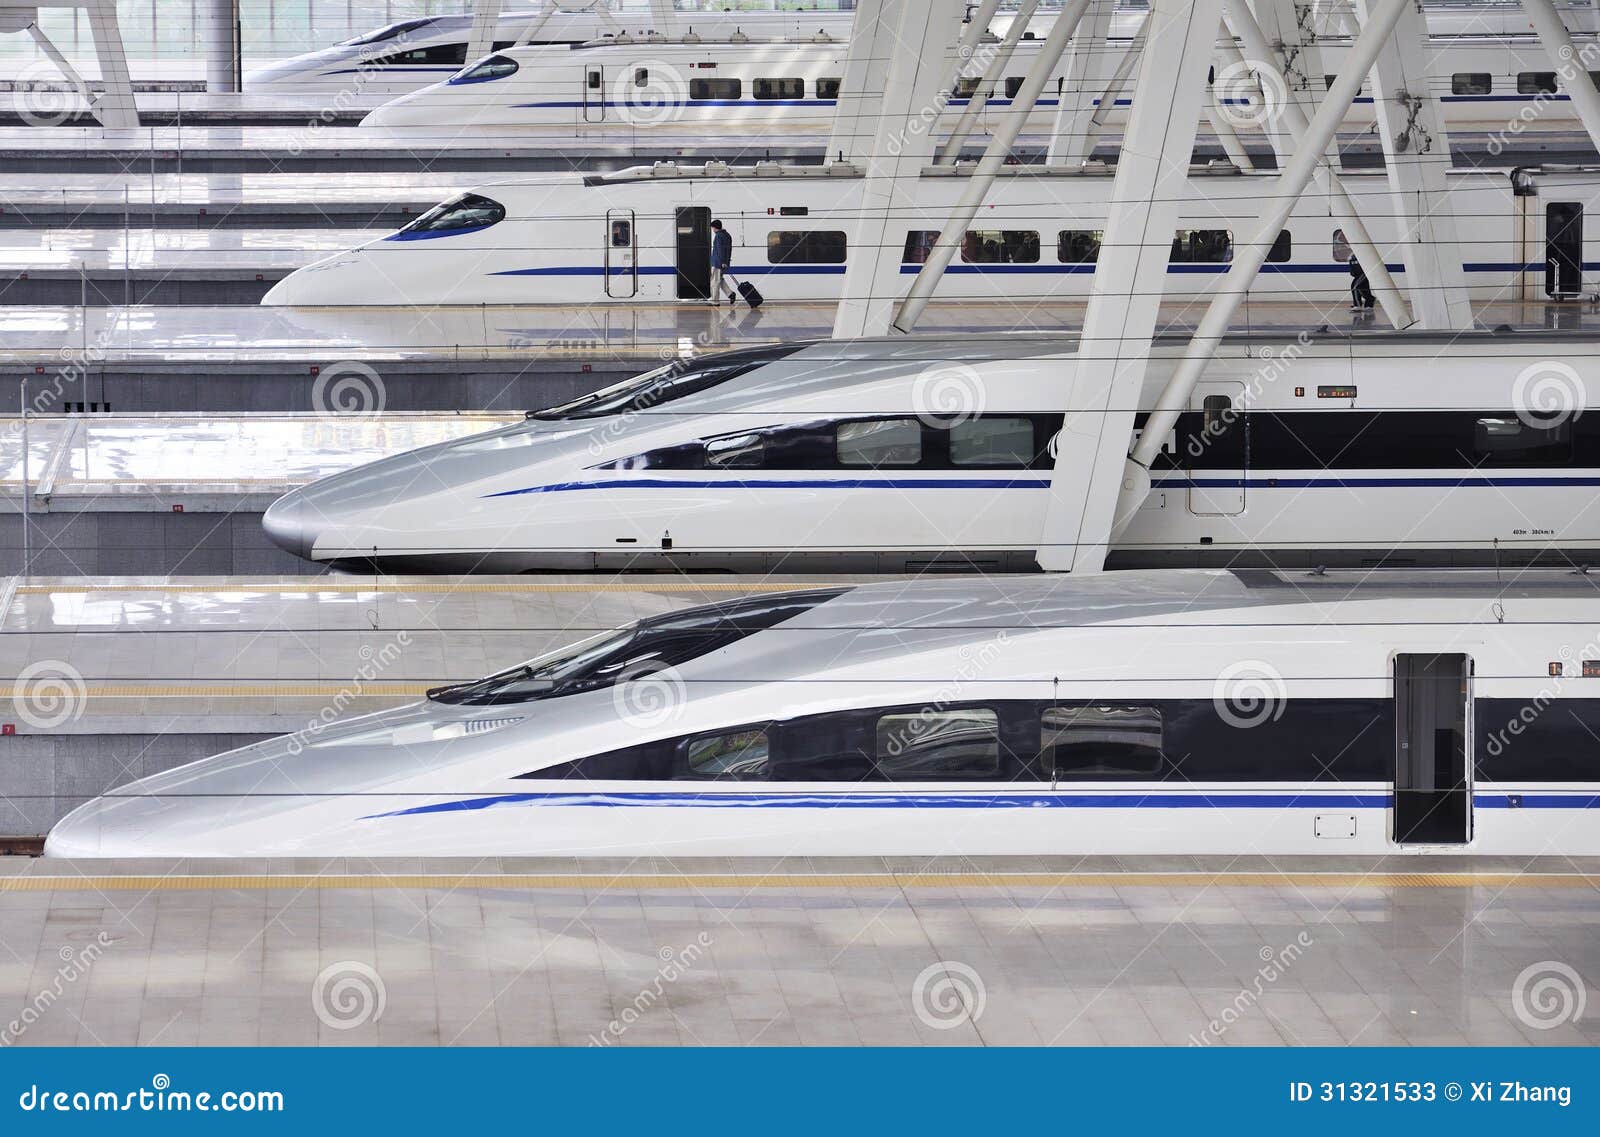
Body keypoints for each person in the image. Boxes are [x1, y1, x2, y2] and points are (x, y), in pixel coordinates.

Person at [709, 219, 735, 304]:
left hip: (717, 262)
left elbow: (720, 250)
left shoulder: (718, 236)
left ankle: (715, 302)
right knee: (720, 280)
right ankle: (730, 294)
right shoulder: (727, 235)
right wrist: (726, 262)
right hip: (723, 262)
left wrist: (722, 261)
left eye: (712, 228)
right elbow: (729, 249)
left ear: (715, 228)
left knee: (715, 282)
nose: (712, 230)